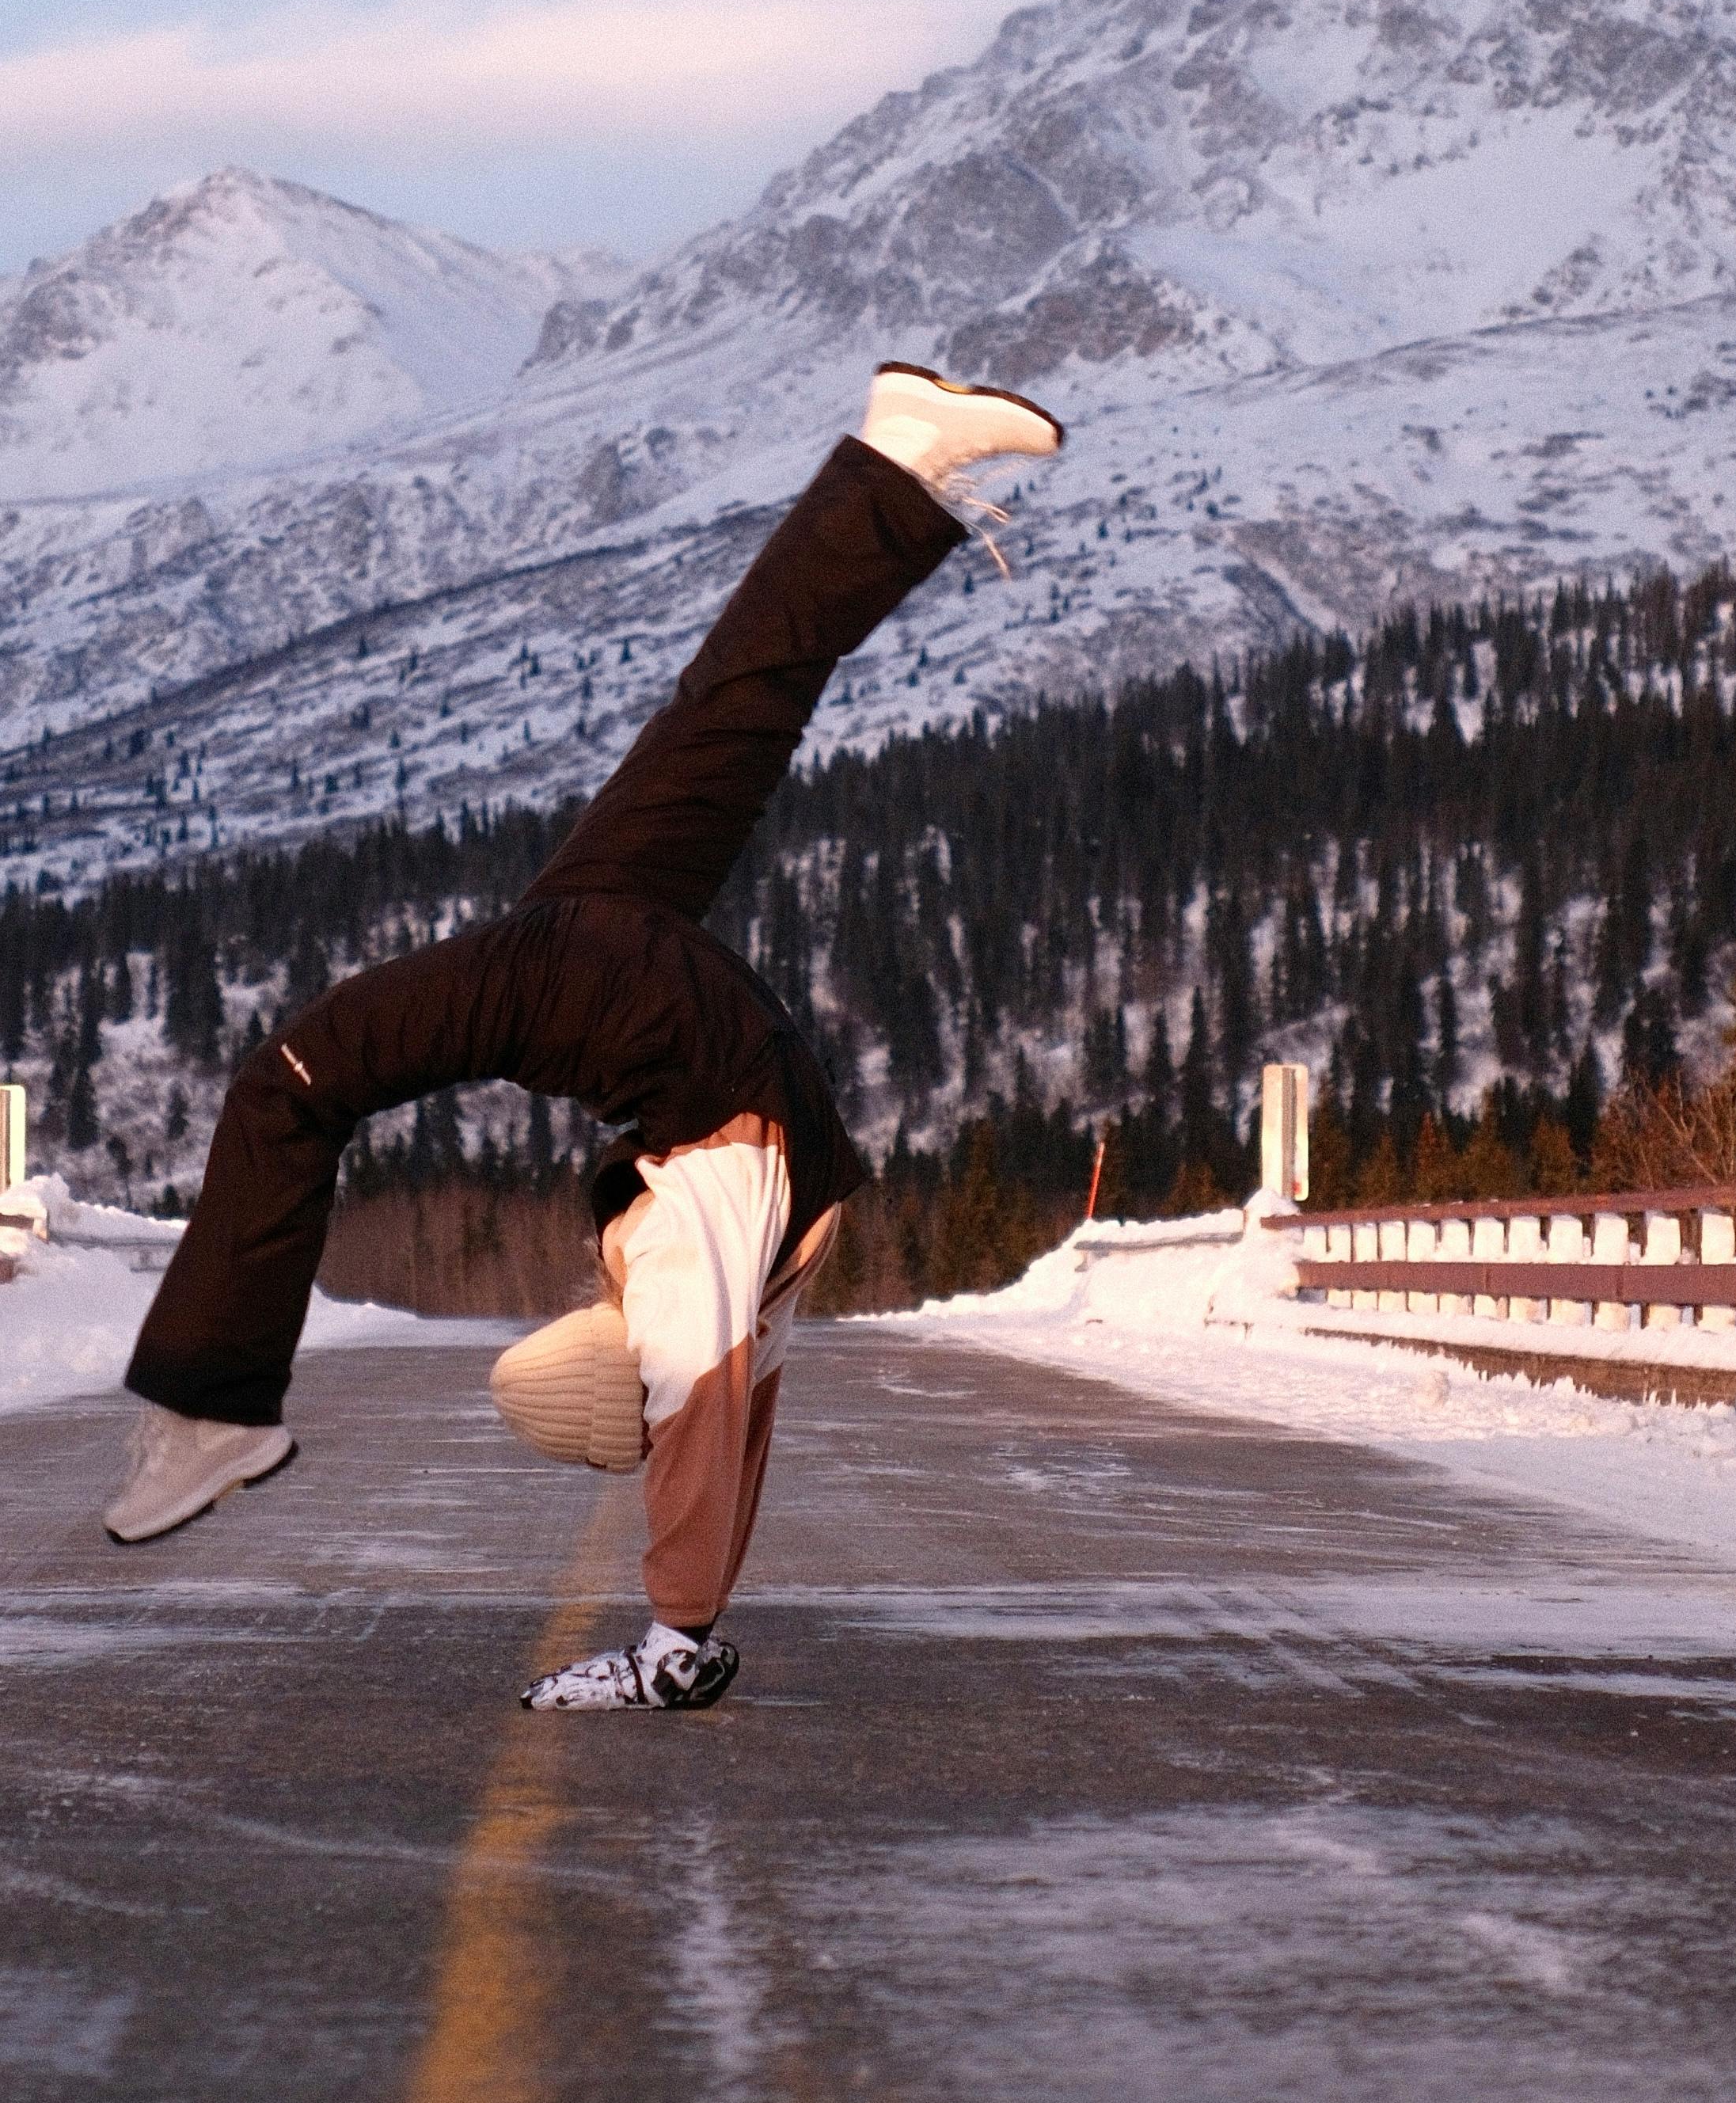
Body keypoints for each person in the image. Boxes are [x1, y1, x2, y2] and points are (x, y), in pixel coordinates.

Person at [102, 363, 1064, 1709]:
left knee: (728, 716)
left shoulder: (717, 1283)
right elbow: (707, 1414)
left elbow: (725, 1415)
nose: (583, 1320)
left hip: (621, 992)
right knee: (294, 1080)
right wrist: (677, 1634)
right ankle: (210, 1412)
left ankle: (895, 461)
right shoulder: (693, 1291)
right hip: (614, 1001)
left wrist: (690, 1614)